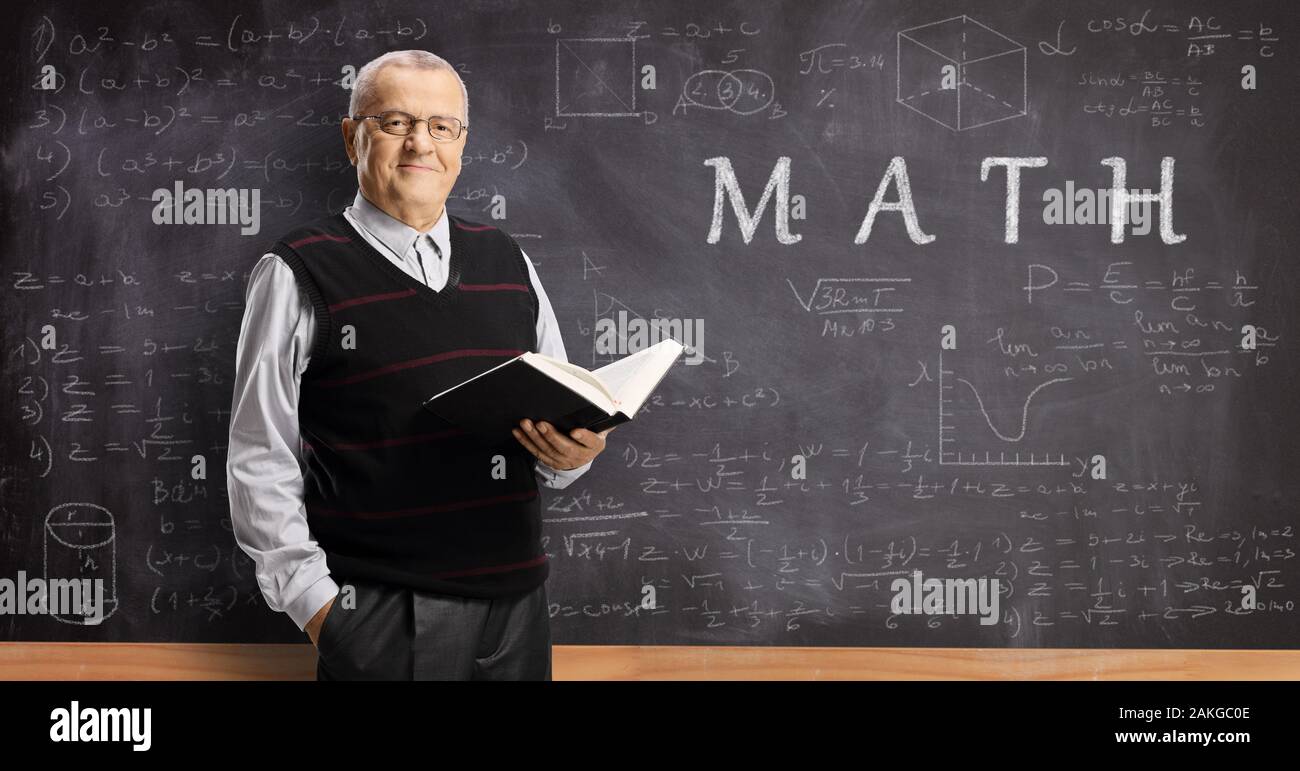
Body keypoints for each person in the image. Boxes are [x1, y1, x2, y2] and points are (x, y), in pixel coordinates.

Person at [225, 49, 609, 680]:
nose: (420, 144)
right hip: (381, 614)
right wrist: (322, 612)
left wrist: (575, 453)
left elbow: (552, 425)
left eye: (440, 126)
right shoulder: (298, 271)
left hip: (519, 609)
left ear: (461, 141)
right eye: (395, 122)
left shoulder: (508, 263)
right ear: (354, 137)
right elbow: (258, 458)